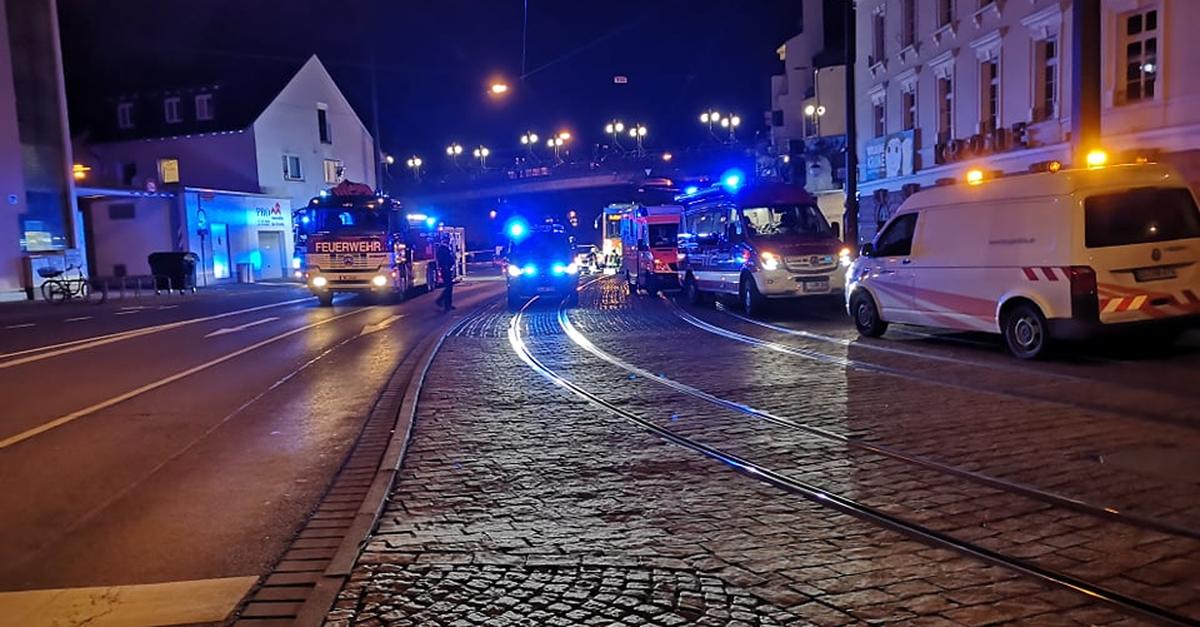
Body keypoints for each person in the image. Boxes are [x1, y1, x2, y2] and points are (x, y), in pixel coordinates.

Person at [434, 238, 456, 311]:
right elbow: (447, 260)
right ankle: (444, 303)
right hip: (445, 270)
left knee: (449, 287)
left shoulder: (443, 249)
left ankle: (447, 304)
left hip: (446, 269)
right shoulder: (444, 249)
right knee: (449, 287)